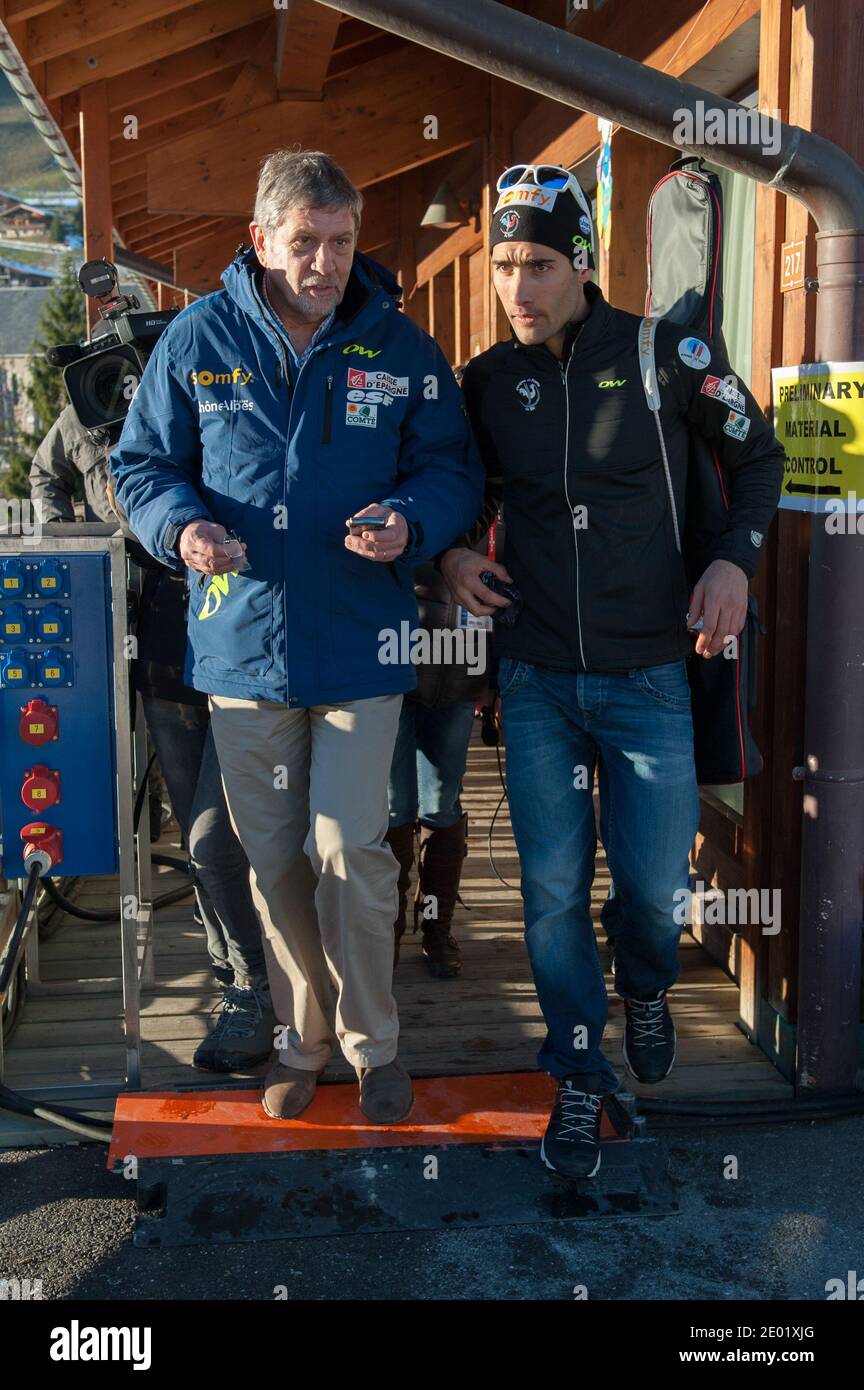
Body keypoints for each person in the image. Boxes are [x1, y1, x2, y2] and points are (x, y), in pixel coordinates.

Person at [110, 149, 483, 1125]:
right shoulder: (198, 340)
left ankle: (375, 1046)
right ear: (260, 241)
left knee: (349, 851)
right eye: (305, 241)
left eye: (342, 240)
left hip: (362, 650)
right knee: (270, 860)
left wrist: (411, 522)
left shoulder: (398, 347)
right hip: (242, 653)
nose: (325, 261)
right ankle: (300, 1041)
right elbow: (142, 465)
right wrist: (178, 527)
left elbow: (450, 468)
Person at [441, 164, 784, 1179]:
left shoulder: (666, 352)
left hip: (650, 678)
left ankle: (645, 984)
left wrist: (734, 560)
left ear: (581, 262)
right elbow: (453, 490)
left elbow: (758, 455)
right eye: (505, 265)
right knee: (549, 888)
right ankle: (580, 1072)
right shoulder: (488, 381)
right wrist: (454, 553)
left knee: (645, 888)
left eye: (538, 263)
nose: (519, 286)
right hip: (539, 676)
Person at [30, 403, 276, 1073]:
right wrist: (89, 540)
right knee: (204, 850)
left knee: (211, 838)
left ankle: (257, 985)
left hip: (239, 648)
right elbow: (44, 471)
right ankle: (233, 978)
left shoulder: (216, 391)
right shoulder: (89, 406)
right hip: (160, 655)